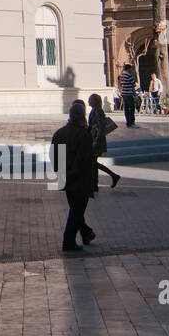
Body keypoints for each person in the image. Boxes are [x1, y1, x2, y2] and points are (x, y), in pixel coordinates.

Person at [52, 101, 97, 253]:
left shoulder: (59, 133)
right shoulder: (83, 135)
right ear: (82, 117)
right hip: (80, 180)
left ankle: (86, 233)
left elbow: (54, 156)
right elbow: (83, 160)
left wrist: (61, 173)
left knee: (76, 210)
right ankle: (68, 242)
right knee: (77, 212)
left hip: (66, 179)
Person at [86, 92, 120, 188]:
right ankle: (95, 185)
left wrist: (96, 140)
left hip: (97, 139)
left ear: (94, 101)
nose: (88, 101)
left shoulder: (98, 111)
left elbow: (101, 127)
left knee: (93, 162)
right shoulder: (94, 110)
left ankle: (113, 176)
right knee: (93, 163)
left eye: (90, 99)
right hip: (94, 138)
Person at [117, 63, 138, 128]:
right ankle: (132, 122)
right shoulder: (129, 75)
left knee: (126, 109)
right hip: (129, 93)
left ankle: (128, 122)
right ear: (128, 68)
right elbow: (134, 84)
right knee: (131, 108)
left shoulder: (122, 75)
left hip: (124, 93)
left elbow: (120, 84)